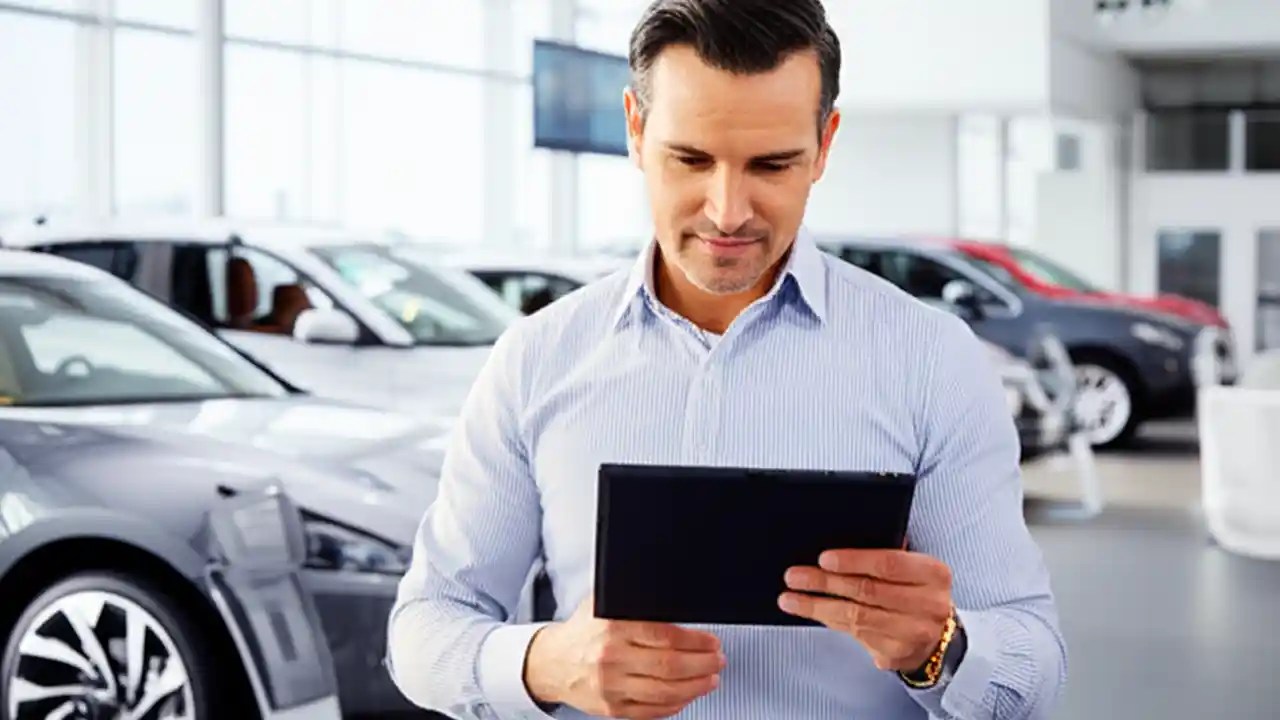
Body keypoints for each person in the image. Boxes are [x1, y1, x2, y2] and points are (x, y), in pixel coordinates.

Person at [387, 0, 1068, 717]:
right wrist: (544, 663)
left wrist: (940, 648)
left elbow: (1035, 665)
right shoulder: (536, 359)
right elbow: (425, 628)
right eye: (690, 159)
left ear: (825, 144)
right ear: (636, 128)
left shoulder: (931, 361)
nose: (727, 210)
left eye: (772, 165)